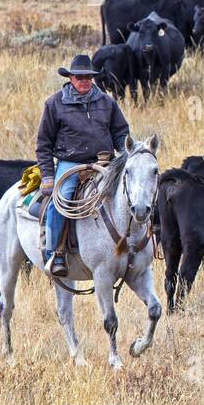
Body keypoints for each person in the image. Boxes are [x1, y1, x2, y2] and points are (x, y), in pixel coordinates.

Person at [35, 54, 131, 276]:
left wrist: (127, 157)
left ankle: (136, 246)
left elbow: (121, 134)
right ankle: (54, 253)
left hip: (104, 161)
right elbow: (43, 144)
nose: (84, 81)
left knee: (132, 192)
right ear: (70, 78)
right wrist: (48, 176)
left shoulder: (107, 102)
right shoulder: (54, 103)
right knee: (61, 201)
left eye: (88, 77)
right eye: (79, 77)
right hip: (70, 162)